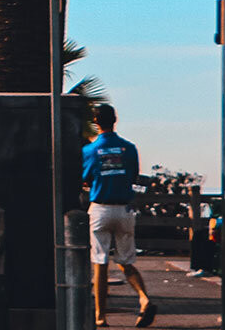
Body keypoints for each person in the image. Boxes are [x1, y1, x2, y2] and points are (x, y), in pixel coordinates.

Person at [82, 103, 155, 326]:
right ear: (115, 120)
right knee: (126, 260)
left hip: (100, 208)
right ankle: (143, 298)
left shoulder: (90, 151)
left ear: (96, 122)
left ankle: (100, 316)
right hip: (125, 209)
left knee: (100, 262)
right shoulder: (129, 148)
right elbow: (133, 176)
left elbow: (85, 178)